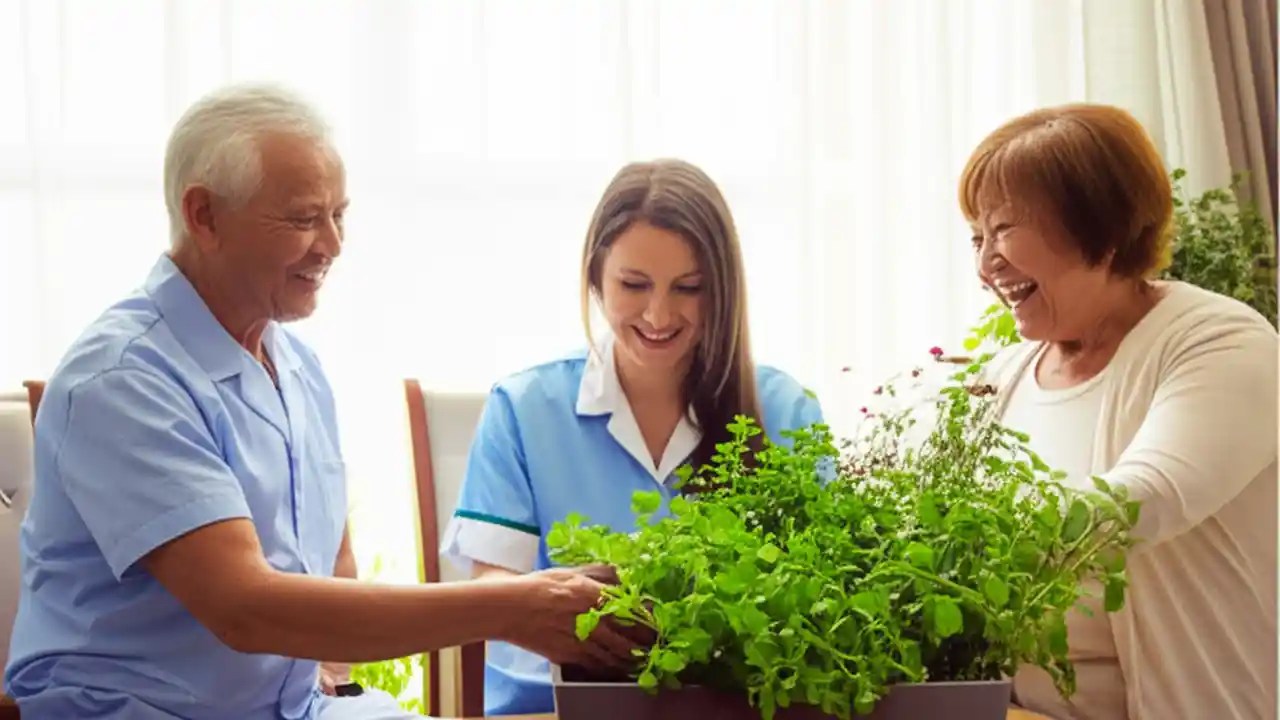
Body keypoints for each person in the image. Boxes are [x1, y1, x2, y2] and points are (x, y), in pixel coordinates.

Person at [3, 83, 635, 720]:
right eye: (304, 219)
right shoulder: (123, 379)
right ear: (204, 216)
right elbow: (244, 607)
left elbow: (328, 549)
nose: (332, 244)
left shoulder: (296, 365)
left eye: (339, 214)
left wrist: (332, 670)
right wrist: (510, 607)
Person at [440, 158, 827, 715]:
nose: (659, 313)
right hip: (551, 709)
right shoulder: (526, 408)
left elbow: (821, 587)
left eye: (688, 288)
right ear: (596, 278)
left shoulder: (785, 410)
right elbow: (492, 585)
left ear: (722, 289)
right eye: (634, 284)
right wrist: (564, 613)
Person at [959, 103, 1277, 719]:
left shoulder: (1220, 342)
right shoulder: (1004, 378)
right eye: (977, 237)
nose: (985, 264)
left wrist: (955, 542)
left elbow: (1144, 500)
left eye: (1002, 230)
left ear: (1099, 230)